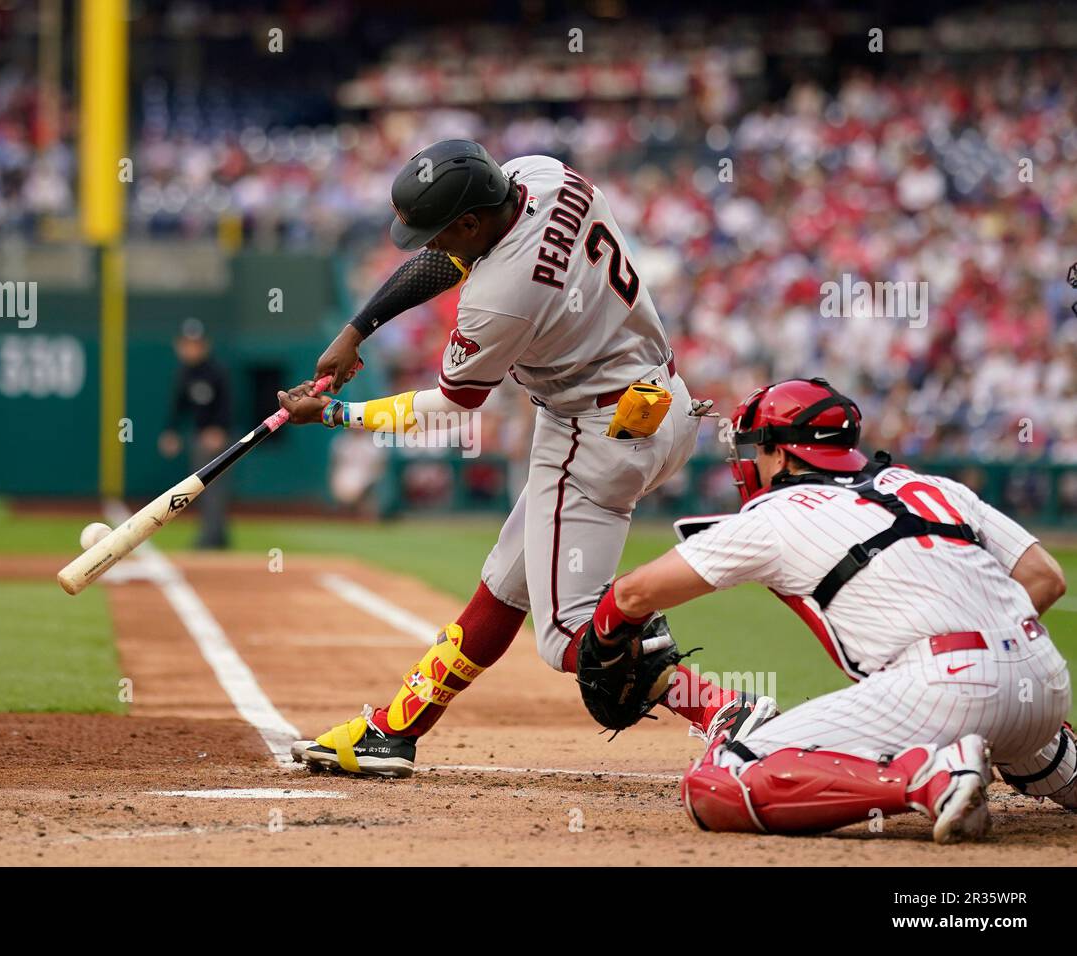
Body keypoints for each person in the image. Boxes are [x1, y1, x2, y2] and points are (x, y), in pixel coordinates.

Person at [277, 139, 771, 777]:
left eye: (440, 231)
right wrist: (357, 329)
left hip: (592, 434)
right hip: (664, 403)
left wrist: (337, 415)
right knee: (506, 585)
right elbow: (453, 257)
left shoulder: (499, 297)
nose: (431, 245)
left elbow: (453, 404)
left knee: (567, 635)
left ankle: (723, 709)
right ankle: (393, 731)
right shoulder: (541, 174)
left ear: (470, 222)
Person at [588, 377, 1072, 843]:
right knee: (1021, 732)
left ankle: (932, 775)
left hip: (941, 689)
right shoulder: (930, 485)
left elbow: (635, 593)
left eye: (758, 449)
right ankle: (1038, 758)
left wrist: (605, 637)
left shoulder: (777, 513)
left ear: (781, 453)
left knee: (715, 783)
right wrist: (994, 657)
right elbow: (1045, 578)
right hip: (1045, 688)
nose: (753, 462)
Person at [159, 318, 233, 549]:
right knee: (200, 488)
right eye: (187, 344)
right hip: (199, 437)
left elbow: (228, 404)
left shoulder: (216, 371)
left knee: (214, 488)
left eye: (195, 344)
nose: (191, 349)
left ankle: (214, 537)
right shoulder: (184, 373)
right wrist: (171, 431)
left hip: (218, 438)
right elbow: (177, 407)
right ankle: (212, 534)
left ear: (204, 345)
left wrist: (219, 430)